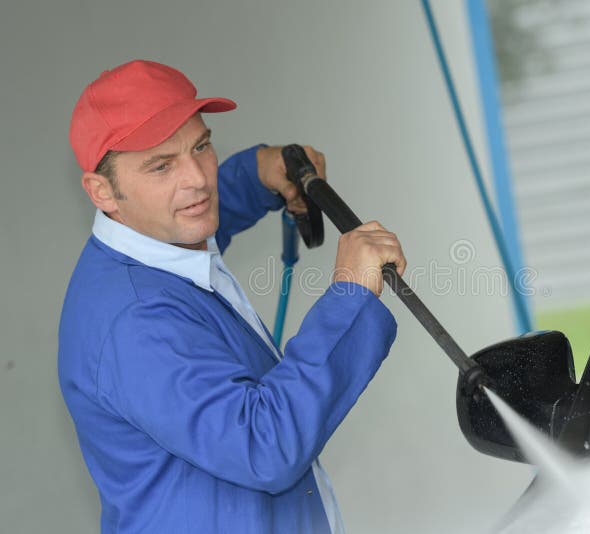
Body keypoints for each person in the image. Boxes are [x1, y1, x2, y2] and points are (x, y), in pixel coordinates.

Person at [58, 59, 407, 534]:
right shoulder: (136, 321)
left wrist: (257, 172)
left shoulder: (154, 245)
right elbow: (264, 447)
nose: (198, 179)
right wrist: (349, 296)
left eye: (200, 145)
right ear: (102, 192)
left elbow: (196, 212)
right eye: (161, 165)